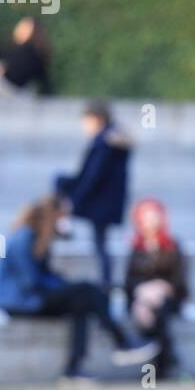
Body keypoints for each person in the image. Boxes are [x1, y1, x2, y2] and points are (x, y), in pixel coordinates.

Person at [0, 194, 158, 382]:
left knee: (82, 301)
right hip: (20, 302)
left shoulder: (37, 237)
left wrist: (64, 285)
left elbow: (44, 276)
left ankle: (74, 369)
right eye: (63, 216)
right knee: (85, 291)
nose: (66, 222)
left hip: (30, 297)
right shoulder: (24, 238)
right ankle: (121, 342)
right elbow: (31, 282)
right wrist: (64, 287)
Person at [55, 101, 132, 289]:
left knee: (100, 242)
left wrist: (75, 200)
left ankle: (106, 282)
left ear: (96, 119)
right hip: (104, 200)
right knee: (100, 241)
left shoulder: (104, 142)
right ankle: (106, 281)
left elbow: (93, 176)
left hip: (100, 201)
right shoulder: (111, 139)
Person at [124, 198, 189, 380]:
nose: (150, 222)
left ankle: (152, 373)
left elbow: (179, 280)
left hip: (168, 298)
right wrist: (142, 296)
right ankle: (166, 363)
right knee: (148, 315)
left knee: (157, 313)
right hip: (140, 301)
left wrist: (160, 289)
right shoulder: (136, 249)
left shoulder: (172, 246)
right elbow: (129, 281)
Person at [0, 17, 52, 97]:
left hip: (6, 88)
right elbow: (42, 79)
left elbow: (5, 63)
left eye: (23, 27)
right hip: (18, 91)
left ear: (31, 32)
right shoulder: (37, 51)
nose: (19, 29)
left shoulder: (26, 49)